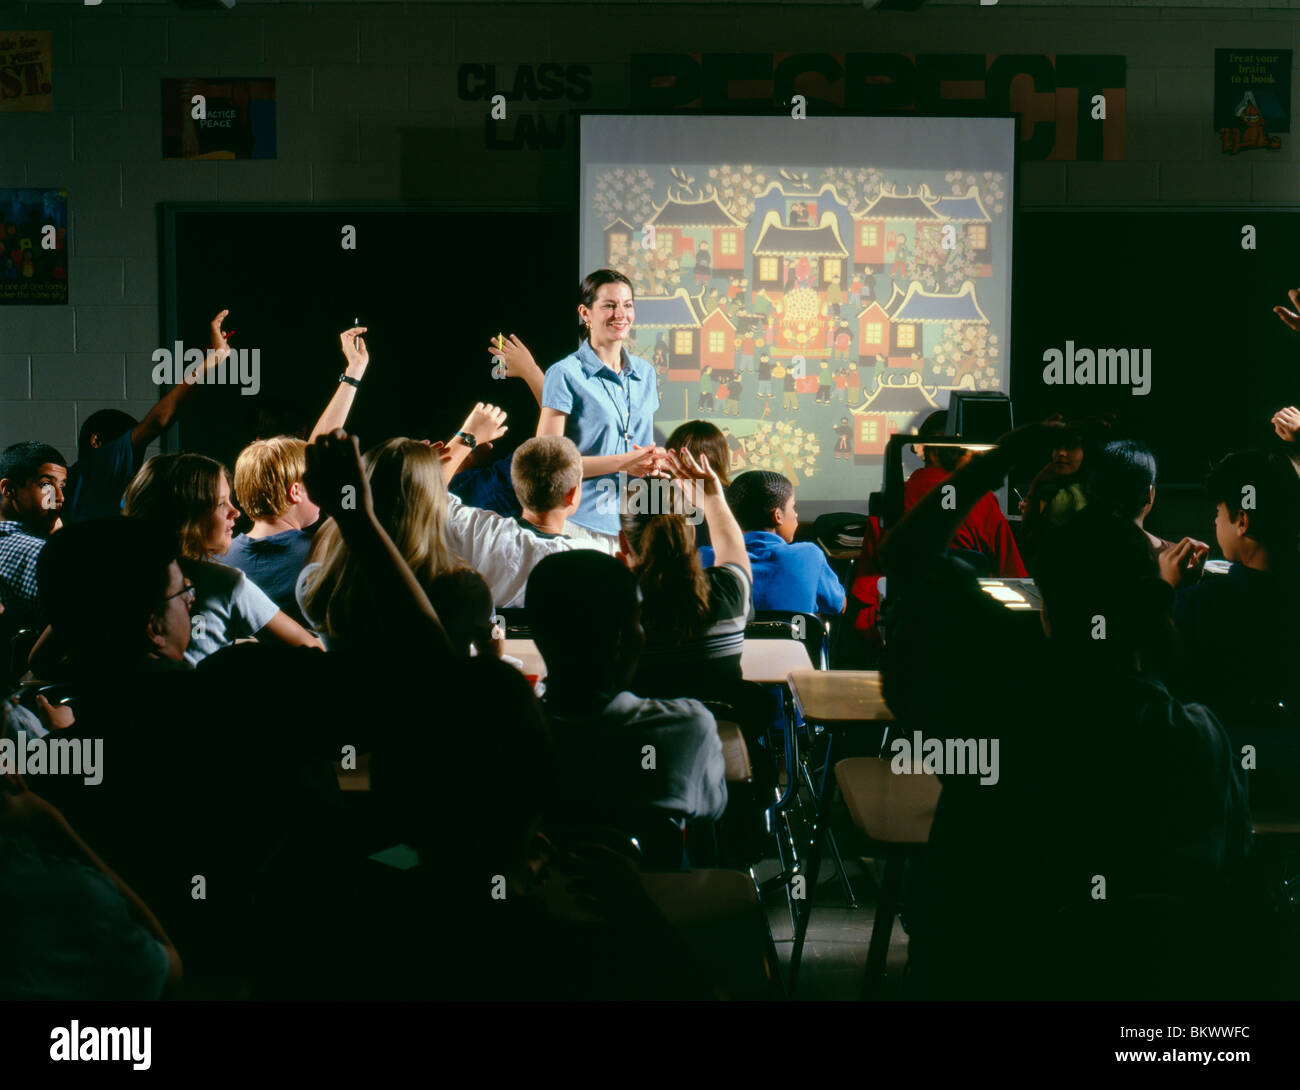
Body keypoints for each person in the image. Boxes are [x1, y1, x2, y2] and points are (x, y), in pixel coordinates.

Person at [880, 418, 1257, 1000]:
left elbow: (906, 557)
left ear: (1047, 608)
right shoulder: (1196, 739)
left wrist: (997, 461)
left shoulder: (986, 709)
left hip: (984, 973)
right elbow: (1228, 896)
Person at [528, 550, 727, 829]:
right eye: (638, 617)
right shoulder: (686, 728)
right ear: (624, 639)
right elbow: (714, 805)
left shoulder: (509, 738)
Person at [297, 435, 492, 656]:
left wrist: (347, 501)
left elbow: (342, 529)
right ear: (435, 502)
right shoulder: (466, 589)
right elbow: (489, 657)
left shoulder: (316, 588)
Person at [122, 453, 322, 664]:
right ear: (189, 515)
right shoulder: (224, 583)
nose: (235, 512)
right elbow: (312, 650)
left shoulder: (113, 572)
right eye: (220, 503)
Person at [62, 309, 236, 526]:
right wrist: (212, 361)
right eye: (131, 442)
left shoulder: (70, 484)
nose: (135, 456)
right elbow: (158, 421)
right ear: (96, 440)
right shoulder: (100, 467)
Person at [532, 270, 665, 546]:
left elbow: (640, 448)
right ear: (585, 313)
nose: (621, 314)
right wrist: (624, 462)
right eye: (609, 305)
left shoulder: (646, 373)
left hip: (635, 524)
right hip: (581, 523)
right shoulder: (564, 373)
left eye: (627, 305)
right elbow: (549, 464)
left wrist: (654, 460)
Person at [617, 449, 753, 698]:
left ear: (623, 543)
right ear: (690, 533)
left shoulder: (608, 609)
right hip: (716, 725)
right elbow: (732, 548)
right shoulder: (729, 592)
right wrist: (713, 497)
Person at [442, 435, 612, 609]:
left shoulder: (478, 528)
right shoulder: (593, 559)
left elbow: (430, 494)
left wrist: (468, 436)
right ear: (571, 494)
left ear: (517, 486)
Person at [699, 469, 844, 615]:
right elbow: (838, 605)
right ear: (778, 516)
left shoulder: (704, 558)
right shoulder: (810, 555)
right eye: (793, 507)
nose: (796, 514)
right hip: (796, 630)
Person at [904, 410, 1026, 578]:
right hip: (971, 592)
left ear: (927, 450)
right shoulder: (983, 499)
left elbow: (871, 575)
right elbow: (1012, 570)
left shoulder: (894, 496)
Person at [0, 441, 66, 537]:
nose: (60, 497)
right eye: (46, 484)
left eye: (61, 486)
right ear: (8, 489)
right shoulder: (35, 546)